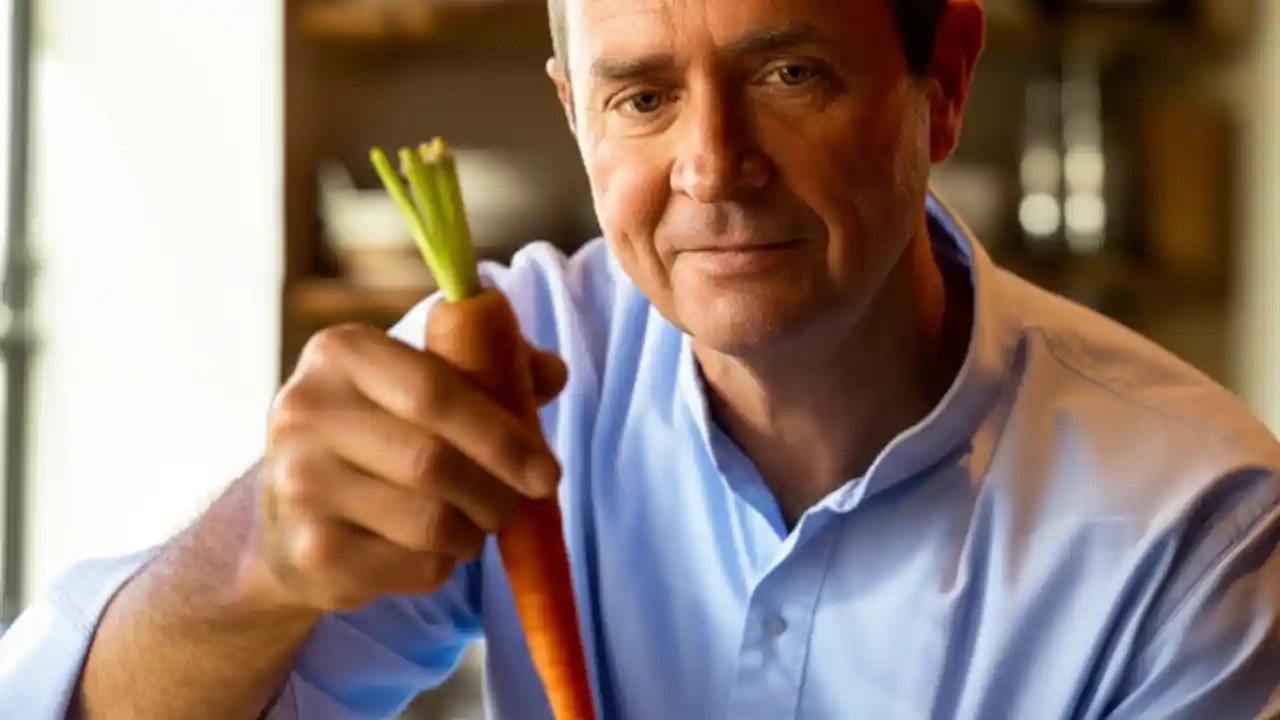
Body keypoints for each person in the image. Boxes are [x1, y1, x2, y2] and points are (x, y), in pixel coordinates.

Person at [3, 0, 1279, 717]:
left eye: (787, 73)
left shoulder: (1190, 522)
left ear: (938, 83)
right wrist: (253, 562)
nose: (712, 168)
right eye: (642, 98)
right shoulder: (512, 365)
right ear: (574, 113)